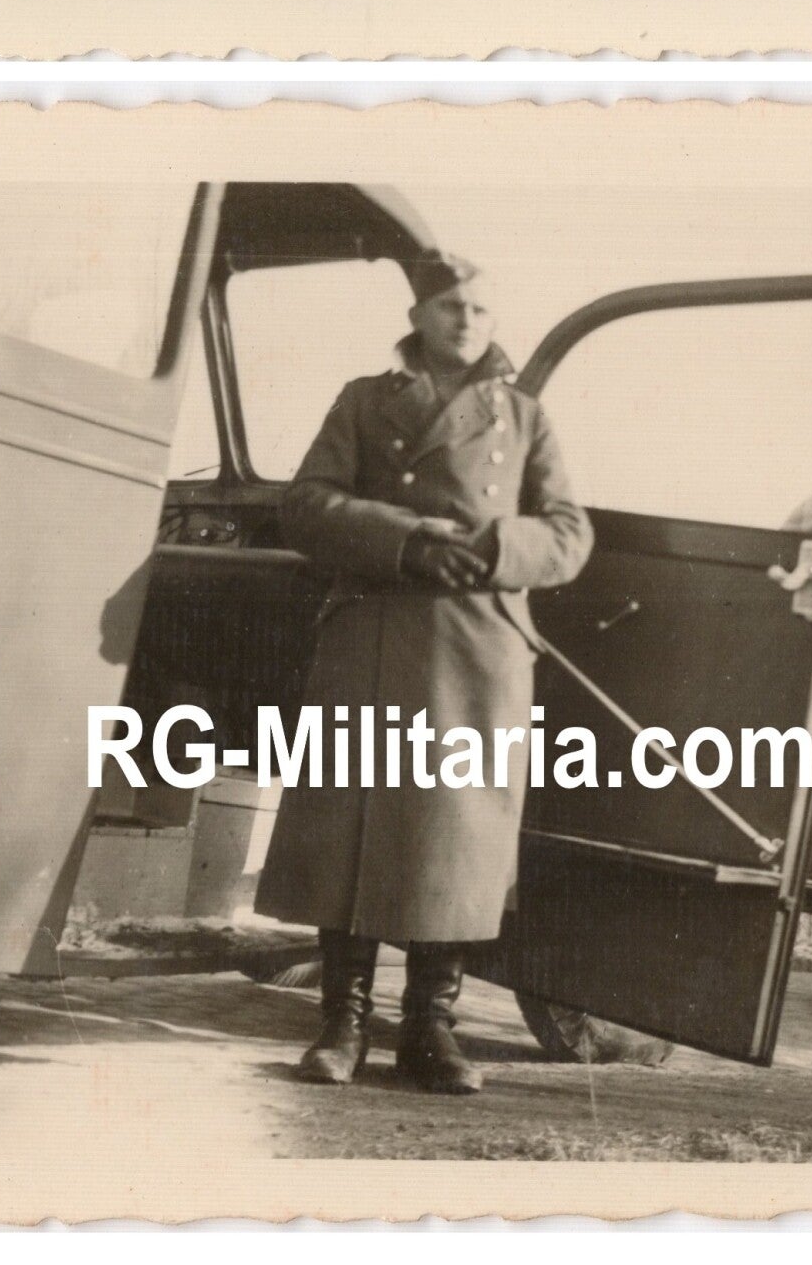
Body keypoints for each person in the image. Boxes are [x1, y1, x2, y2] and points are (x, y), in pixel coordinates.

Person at [256, 253, 593, 1094]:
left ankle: (431, 1031)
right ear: (420, 313)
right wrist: (404, 538)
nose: (467, 320)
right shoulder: (366, 399)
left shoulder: (522, 416)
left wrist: (493, 548)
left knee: (457, 841)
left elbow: (570, 534)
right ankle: (343, 1024)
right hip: (373, 627)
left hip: (478, 643)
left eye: (481, 307)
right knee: (352, 832)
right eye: (449, 306)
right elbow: (305, 504)